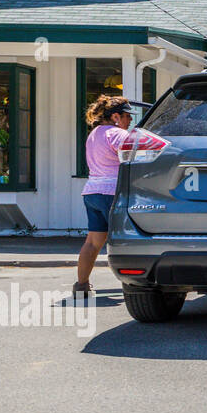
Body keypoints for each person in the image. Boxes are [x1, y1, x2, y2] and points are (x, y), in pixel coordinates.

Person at [76, 95, 140, 300]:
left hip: (92, 192)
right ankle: (134, 287)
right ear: (115, 116)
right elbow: (137, 156)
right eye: (127, 116)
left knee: (93, 242)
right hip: (113, 193)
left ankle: (82, 285)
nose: (130, 120)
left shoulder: (94, 134)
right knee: (126, 240)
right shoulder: (117, 134)